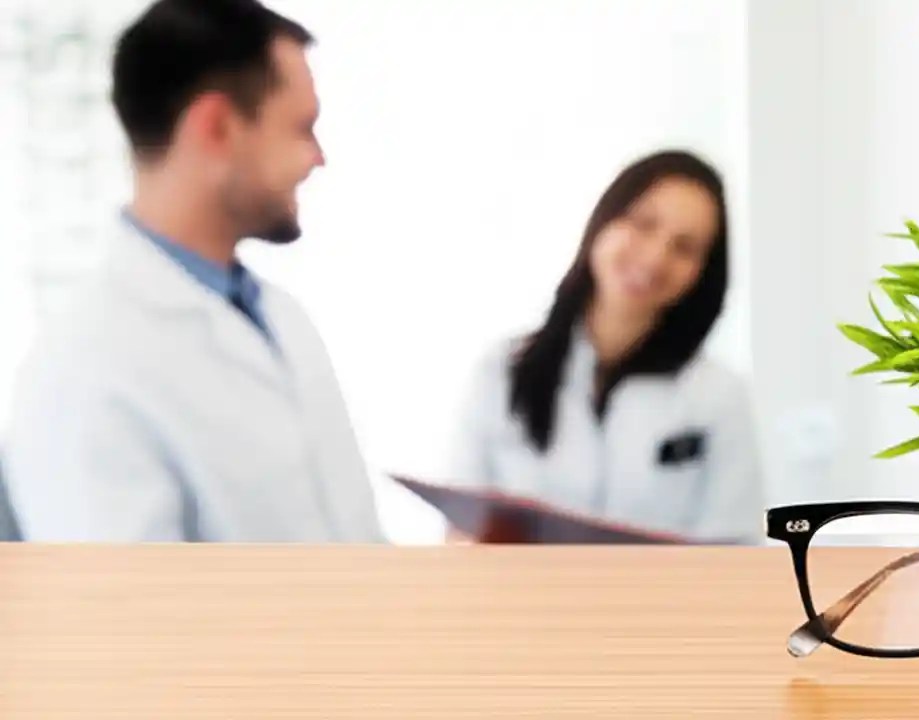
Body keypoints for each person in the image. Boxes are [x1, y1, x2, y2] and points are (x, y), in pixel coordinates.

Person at [4, 0, 385, 542]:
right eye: (302, 128)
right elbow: (118, 617)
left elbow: (353, 544)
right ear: (218, 127)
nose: (317, 158)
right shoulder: (83, 368)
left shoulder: (281, 317)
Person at [446, 149, 764, 545]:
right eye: (644, 224)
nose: (655, 256)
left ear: (703, 273)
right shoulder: (500, 371)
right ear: (604, 220)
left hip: (663, 606)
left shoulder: (718, 396)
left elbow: (733, 550)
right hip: (522, 604)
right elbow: (461, 532)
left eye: (684, 247)